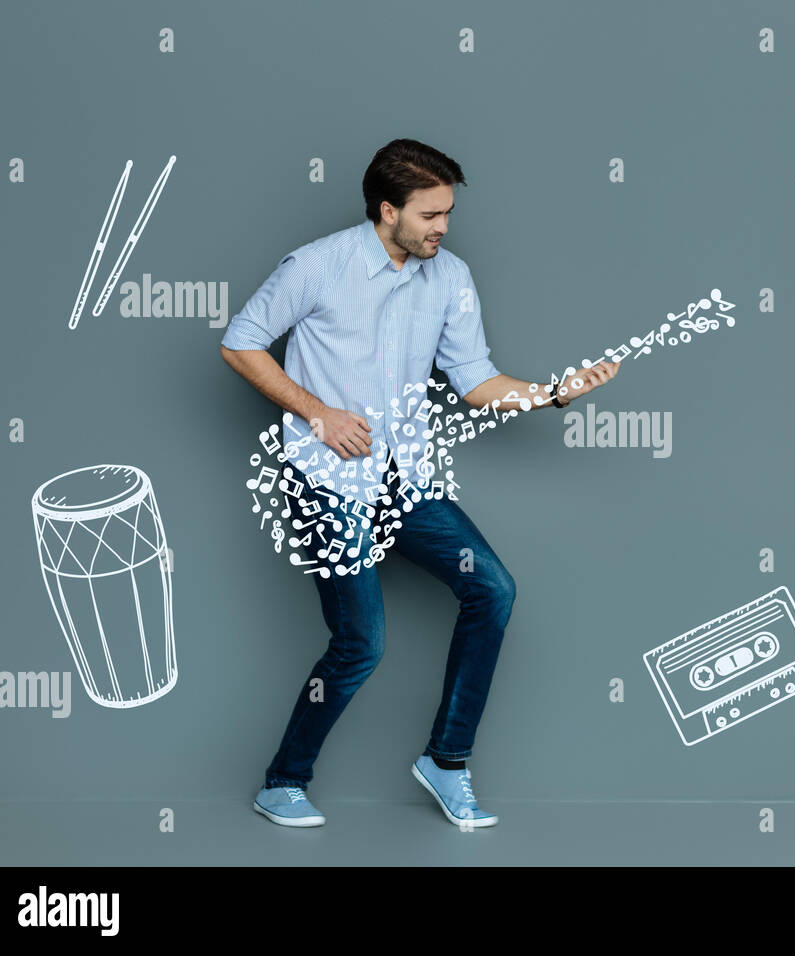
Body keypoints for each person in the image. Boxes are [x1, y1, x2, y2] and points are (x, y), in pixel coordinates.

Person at [220, 138, 618, 828]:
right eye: (430, 214)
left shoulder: (451, 276)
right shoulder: (318, 266)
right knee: (361, 645)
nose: (442, 227)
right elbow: (240, 342)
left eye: (447, 214)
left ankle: (447, 761)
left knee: (491, 588)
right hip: (328, 483)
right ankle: (283, 781)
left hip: (407, 483)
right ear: (387, 210)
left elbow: (477, 382)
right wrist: (317, 413)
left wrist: (554, 393)